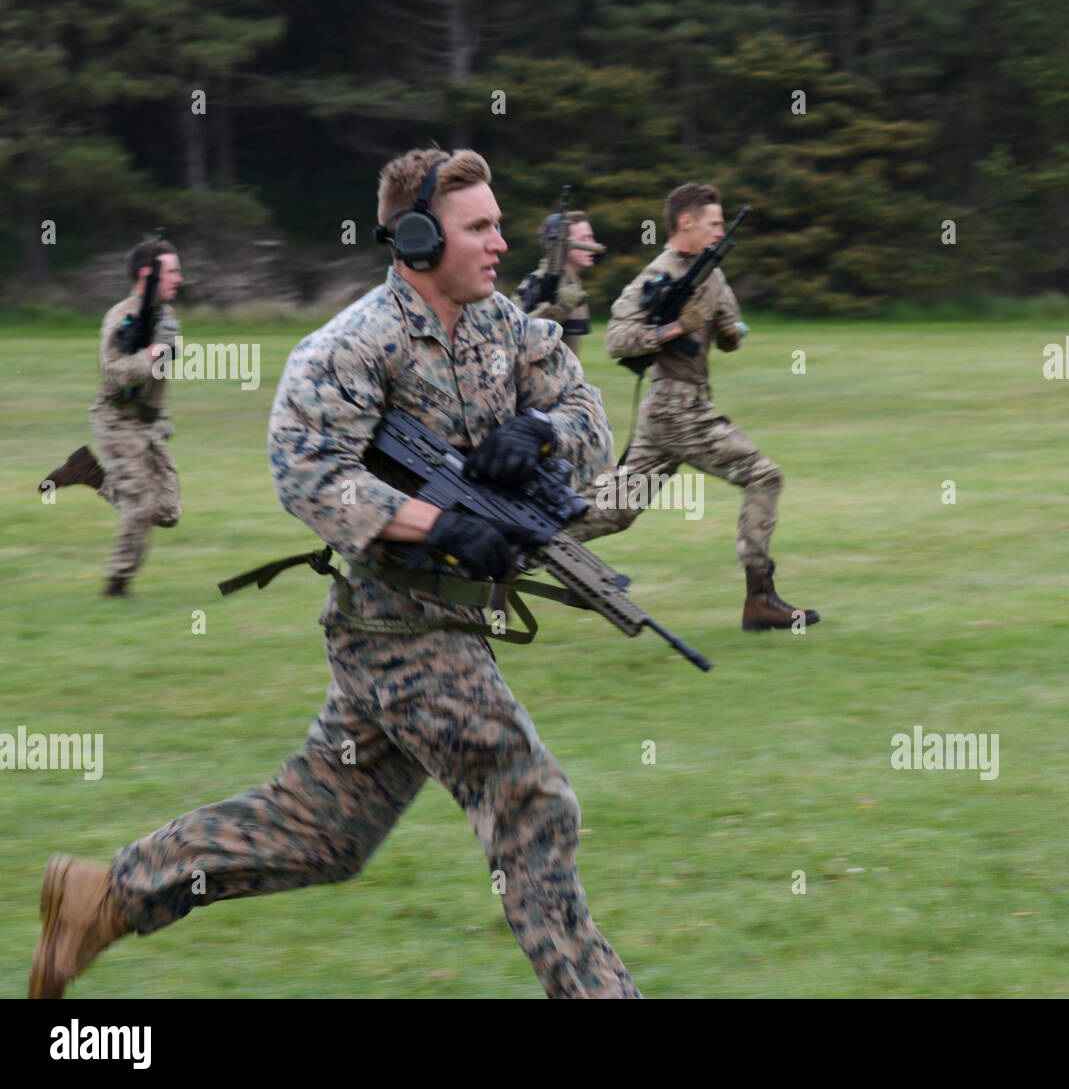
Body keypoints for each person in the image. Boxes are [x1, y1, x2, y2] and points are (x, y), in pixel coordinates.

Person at [29, 146, 641, 1000]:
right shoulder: (353, 344)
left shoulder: (509, 326)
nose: (501, 242)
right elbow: (308, 469)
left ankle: (105, 896)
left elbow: (588, 422)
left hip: (453, 622)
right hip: (395, 626)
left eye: (499, 223)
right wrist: (445, 525)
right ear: (420, 239)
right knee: (531, 799)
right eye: (481, 227)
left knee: (322, 833)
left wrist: (537, 429)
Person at [565, 183, 821, 631]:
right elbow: (615, 341)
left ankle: (521, 548)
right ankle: (759, 598)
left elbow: (729, 336)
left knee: (616, 511)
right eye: (715, 223)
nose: (721, 231)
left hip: (674, 409)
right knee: (764, 476)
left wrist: (728, 331)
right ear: (687, 223)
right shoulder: (656, 274)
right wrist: (673, 329)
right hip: (675, 408)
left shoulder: (712, 273)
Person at [39, 239, 184, 597]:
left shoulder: (166, 319)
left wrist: (159, 419)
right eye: (173, 271)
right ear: (147, 275)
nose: (180, 279)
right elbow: (115, 375)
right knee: (139, 507)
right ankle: (117, 585)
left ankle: (86, 472)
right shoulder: (121, 318)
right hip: (116, 420)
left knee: (166, 512)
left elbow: (159, 378)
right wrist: (150, 354)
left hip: (148, 424)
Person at [511, 209, 603, 356]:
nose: (593, 244)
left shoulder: (572, 284)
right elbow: (515, 340)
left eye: (591, 237)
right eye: (584, 239)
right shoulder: (536, 284)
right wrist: (561, 308)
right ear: (560, 244)